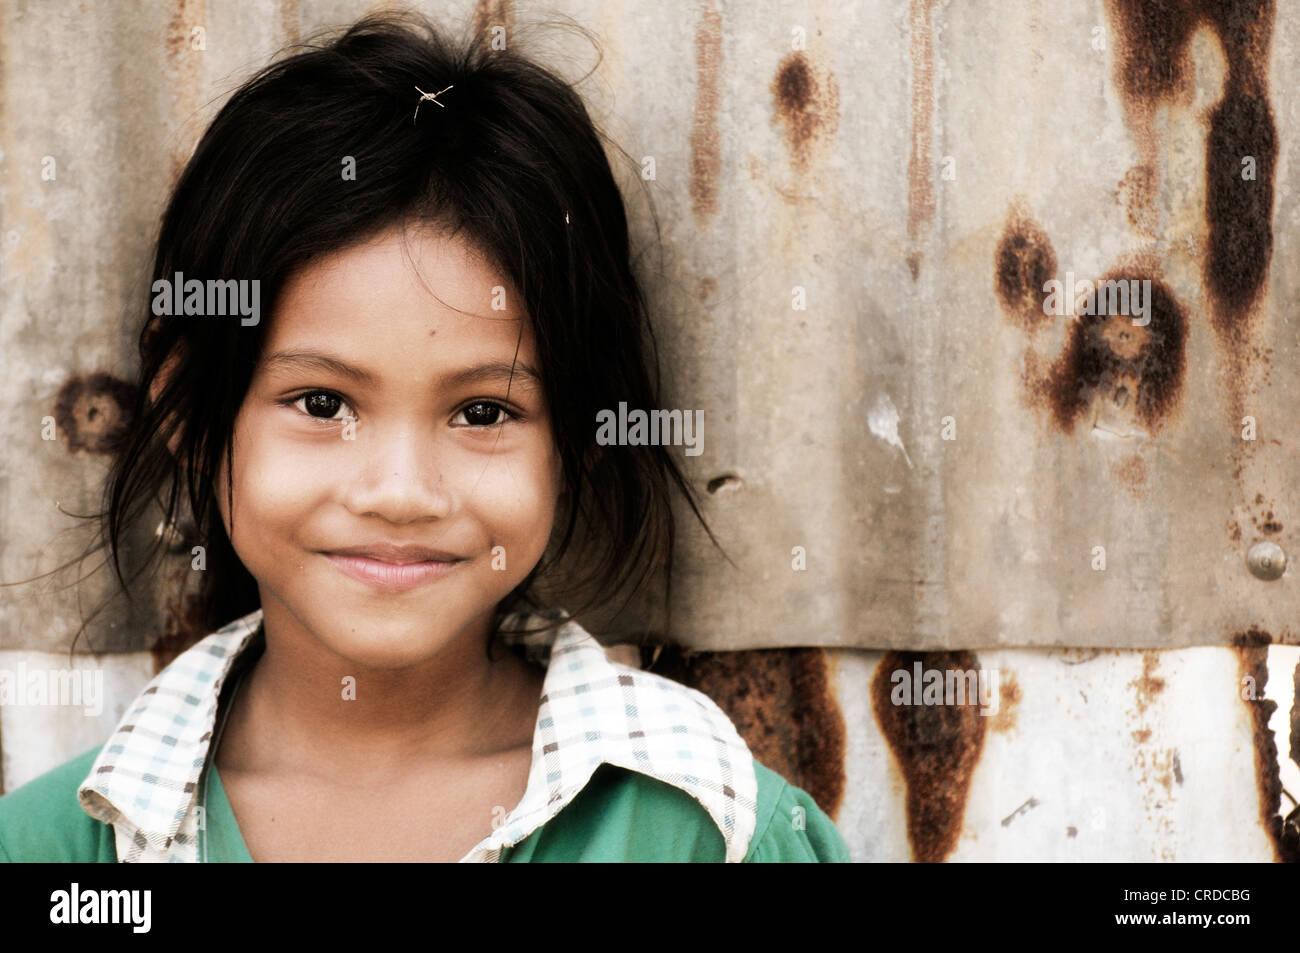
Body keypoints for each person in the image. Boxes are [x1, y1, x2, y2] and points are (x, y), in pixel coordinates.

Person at [0, 11, 849, 863]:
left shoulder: (708, 832)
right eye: (323, 402)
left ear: (582, 433)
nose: (400, 490)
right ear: (186, 404)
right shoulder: (60, 849)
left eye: (483, 412)